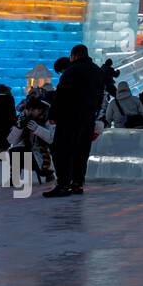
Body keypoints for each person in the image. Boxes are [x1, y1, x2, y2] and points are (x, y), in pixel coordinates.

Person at [45, 44, 104, 197]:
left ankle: (63, 184)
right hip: (88, 117)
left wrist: (53, 114)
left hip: (69, 117)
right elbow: (100, 95)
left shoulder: (71, 71)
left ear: (74, 55)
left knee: (61, 150)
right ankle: (77, 183)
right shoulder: (97, 71)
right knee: (81, 151)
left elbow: (62, 95)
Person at [0, 84, 17, 153]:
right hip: (7, 122)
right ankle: (2, 152)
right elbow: (12, 111)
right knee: (5, 137)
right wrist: (14, 122)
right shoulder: (10, 98)